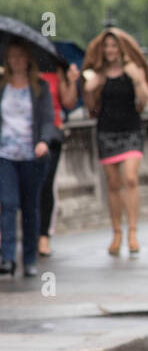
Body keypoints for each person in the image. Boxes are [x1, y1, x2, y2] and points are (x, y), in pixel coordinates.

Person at [82, 27, 148, 257]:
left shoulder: (134, 69)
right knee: (113, 185)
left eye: (114, 46)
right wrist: (89, 89)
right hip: (107, 132)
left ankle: (132, 232)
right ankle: (116, 233)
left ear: (122, 48)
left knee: (130, 179)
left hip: (131, 130)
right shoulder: (97, 75)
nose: (110, 50)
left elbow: (144, 102)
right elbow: (91, 109)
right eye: (106, 46)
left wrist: (138, 81)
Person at [0, 40, 57, 278]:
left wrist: (44, 141)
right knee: (8, 204)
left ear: (28, 60)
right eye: (11, 57)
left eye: (19, 57)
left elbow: (47, 119)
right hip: (5, 155)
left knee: (30, 208)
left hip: (32, 155)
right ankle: (8, 258)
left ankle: (30, 258)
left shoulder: (40, 87)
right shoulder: (2, 86)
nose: (16, 62)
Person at [35, 58, 78, 258]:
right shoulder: (17, 72)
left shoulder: (55, 69)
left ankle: (43, 235)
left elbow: (69, 103)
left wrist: (71, 81)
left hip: (52, 135)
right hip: (25, 135)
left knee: (45, 184)